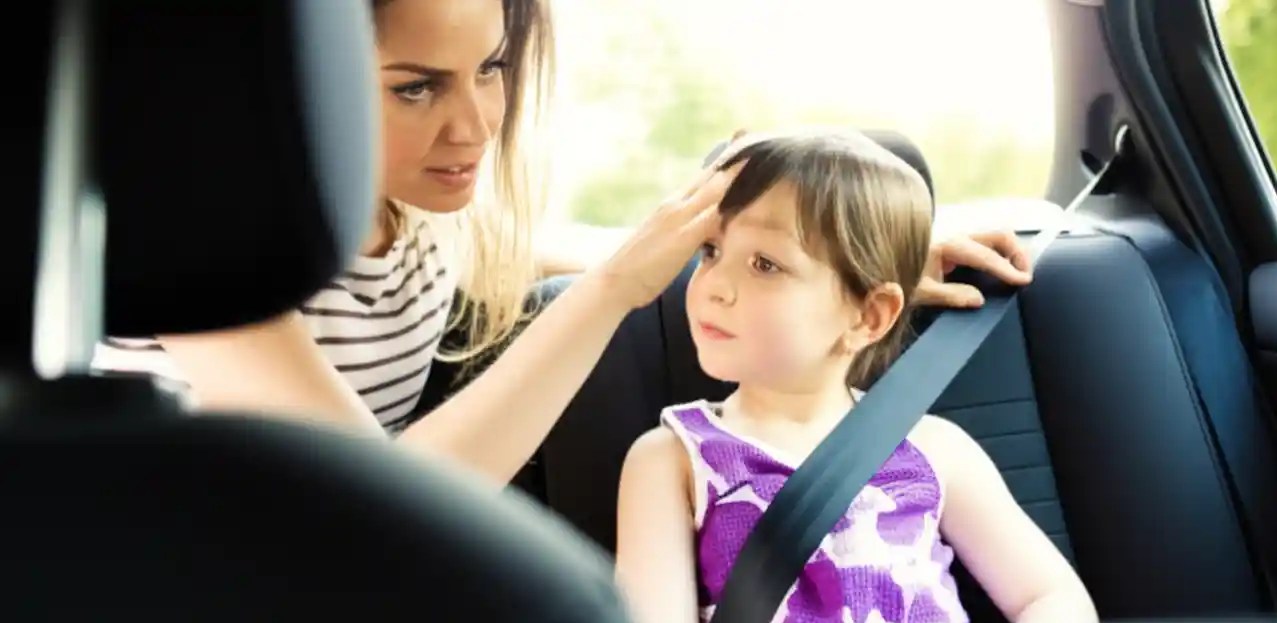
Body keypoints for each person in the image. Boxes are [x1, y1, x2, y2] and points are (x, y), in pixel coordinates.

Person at [92, 0, 1034, 488]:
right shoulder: (206, 274)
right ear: (286, 85)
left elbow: (544, 250)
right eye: (416, 88)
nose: (475, 126)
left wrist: (857, 264)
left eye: (491, 68)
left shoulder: (413, 216)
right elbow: (386, 499)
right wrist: (618, 287)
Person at [613, 131, 1099, 623]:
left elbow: (1050, 595)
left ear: (868, 316)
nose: (714, 285)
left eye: (765, 264)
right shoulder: (673, 458)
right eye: (711, 251)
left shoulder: (932, 449)